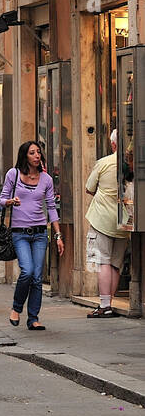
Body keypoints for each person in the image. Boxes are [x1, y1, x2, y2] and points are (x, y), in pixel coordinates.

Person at [0, 140, 63, 329]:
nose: (37, 156)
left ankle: (33, 318)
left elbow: (51, 208)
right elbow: (1, 200)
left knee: (36, 277)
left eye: (38, 153)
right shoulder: (14, 174)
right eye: (32, 153)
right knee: (27, 271)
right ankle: (16, 308)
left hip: (40, 233)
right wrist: (10, 201)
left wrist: (58, 236)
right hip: (19, 233)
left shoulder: (46, 179)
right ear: (25, 156)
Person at [85, 131, 127, 318]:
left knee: (104, 262)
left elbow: (89, 188)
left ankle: (105, 305)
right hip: (125, 220)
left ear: (113, 144)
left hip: (102, 218)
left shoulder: (104, 162)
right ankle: (109, 300)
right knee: (116, 264)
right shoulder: (131, 164)